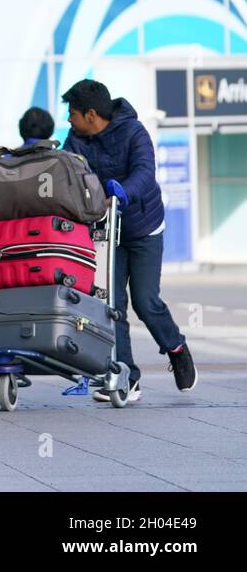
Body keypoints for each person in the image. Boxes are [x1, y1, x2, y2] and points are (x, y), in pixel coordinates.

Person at [61, 79, 196, 402]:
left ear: (91, 114)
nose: (69, 120)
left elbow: (145, 172)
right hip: (109, 232)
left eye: (72, 113)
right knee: (112, 306)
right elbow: (64, 172)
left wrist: (124, 191)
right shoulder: (76, 140)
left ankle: (176, 348)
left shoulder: (134, 132)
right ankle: (125, 377)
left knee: (145, 302)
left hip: (144, 226)